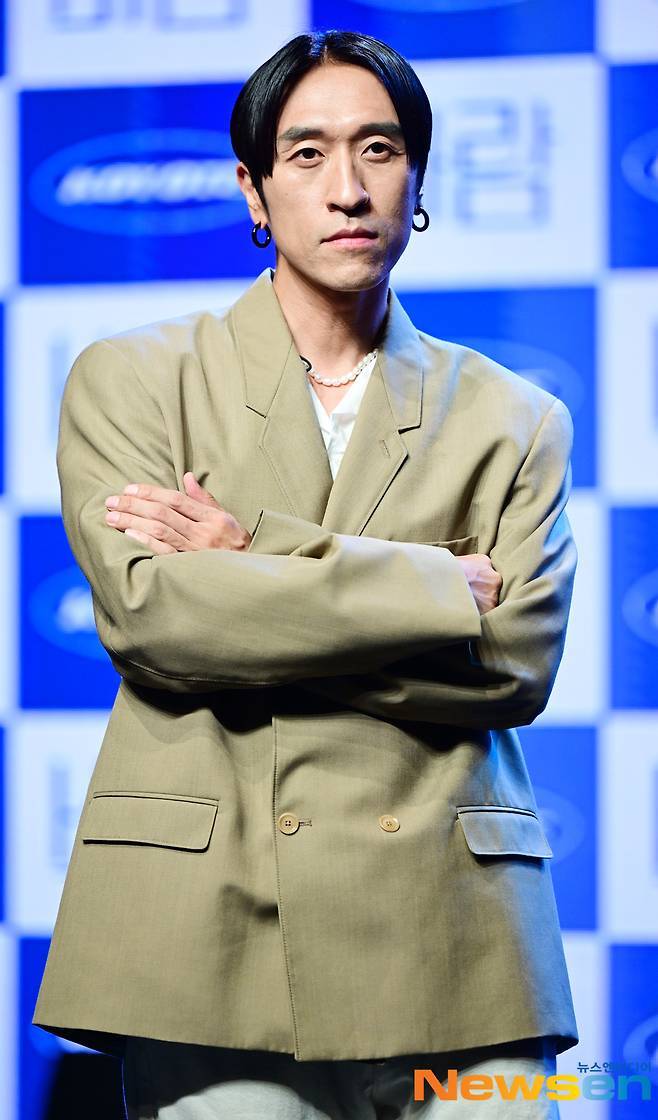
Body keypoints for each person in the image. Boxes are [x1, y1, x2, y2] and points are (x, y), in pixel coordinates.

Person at [32, 28, 579, 1120]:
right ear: (253, 187)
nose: (347, 188)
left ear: (418, 177)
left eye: (379, 149)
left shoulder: (514, 416)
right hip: (211, 930)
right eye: (307, 153)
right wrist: (430, 589)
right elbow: (158, 622)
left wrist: (247, 566)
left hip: (459, 935)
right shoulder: (133, 377)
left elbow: (514, 664)